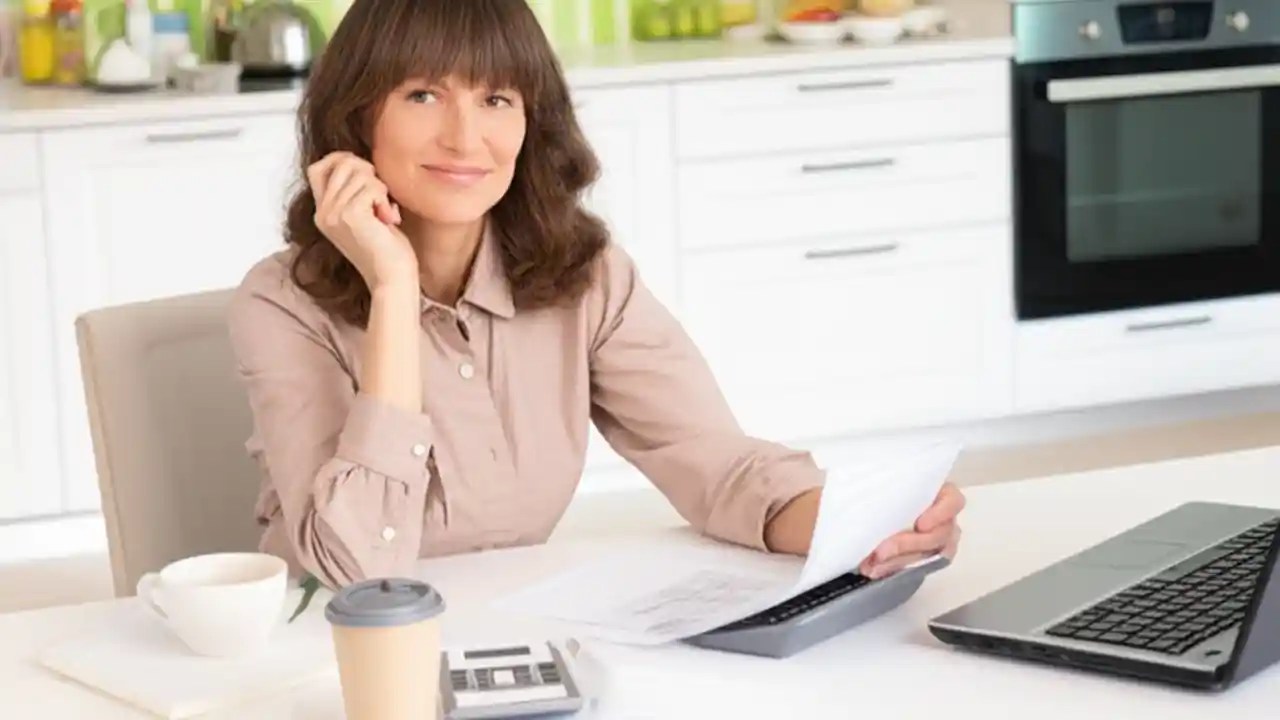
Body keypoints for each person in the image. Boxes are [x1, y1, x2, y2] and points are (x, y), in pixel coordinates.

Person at [227, 0, 965, 590]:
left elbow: (718, 467)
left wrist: (863, 523)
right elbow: (359, 570)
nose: (466, 137)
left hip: (511, 631)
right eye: (423, 94)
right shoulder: (281, 304)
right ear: (358, 117)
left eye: (496, 98)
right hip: (326, 658)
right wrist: (393, 290)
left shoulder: (585, 276)